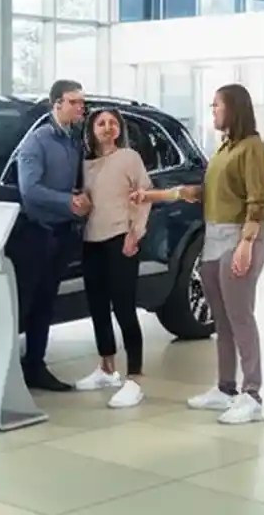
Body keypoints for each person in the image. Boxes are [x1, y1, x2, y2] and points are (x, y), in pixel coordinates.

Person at [131, 83, 264, 425]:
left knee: (241, 318)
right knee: (222, 321)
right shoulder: (224, 149)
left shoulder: (253, 149)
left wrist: (247, 243)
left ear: (234, 109)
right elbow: (203, 192)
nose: (213, 111)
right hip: (213, 240)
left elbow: (258, 201)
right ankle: (225, 388)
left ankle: (251, 394)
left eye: (217, 106)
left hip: (238, 240)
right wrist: (153, 197)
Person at [15, 79, 90, 392]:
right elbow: (29, 190)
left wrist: (77, 197)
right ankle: (21, 367)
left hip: (64, 233)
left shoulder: (75, 140)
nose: (80, 108)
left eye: (81, 103)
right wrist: (68, 202)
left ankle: (35, 364)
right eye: (74, 102)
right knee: (29, 302)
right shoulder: (37, 142)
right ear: (56, 103)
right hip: (37, 234)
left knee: (47, 302)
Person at [73, 107, 151, 408]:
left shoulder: (129, 158)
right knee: (97, 306)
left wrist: (135, 234)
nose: (107, 127)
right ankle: (107, 368)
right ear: (92, 129)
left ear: (119, 129)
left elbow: (144, 197)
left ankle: (135, 379)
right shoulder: (85, 164)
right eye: (101, 123)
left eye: (112, 123)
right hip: (92, 240)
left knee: (124, 308)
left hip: (121, 239)